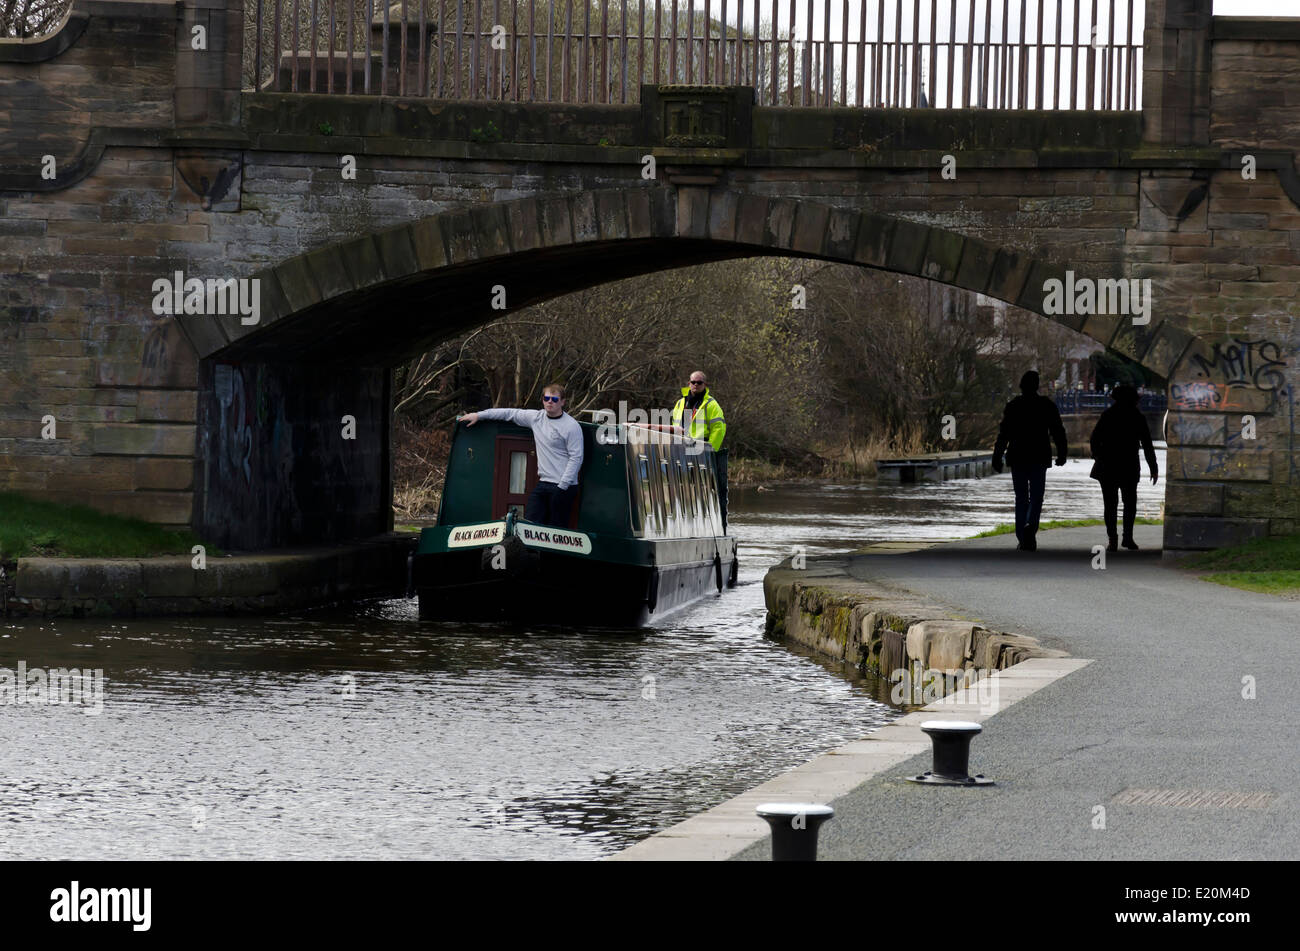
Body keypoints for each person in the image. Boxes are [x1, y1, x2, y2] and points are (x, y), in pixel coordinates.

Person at [458, 383, 584, 528]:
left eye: (554, 399)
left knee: (557, 529)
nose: (550, 402)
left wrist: (562, 487)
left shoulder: (571, 426)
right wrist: (479, 415)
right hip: (544, 483)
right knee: (529, 524)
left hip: (565, 486)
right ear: (542, 400)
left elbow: (576, 458)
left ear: (562, 402)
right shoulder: (536, 418)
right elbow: (508, 413)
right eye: (546, 398)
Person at [992, 370, 1068, 551]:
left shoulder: (1013, 406)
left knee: (1020, 497)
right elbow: (1058, 431)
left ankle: (1022, 535)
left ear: (1021, 386)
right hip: (1039, 456)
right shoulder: (1046, 405)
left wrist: (997, 456)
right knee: (1037, 496)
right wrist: (1062, 453)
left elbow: (1004, 434)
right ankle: (1030, 527)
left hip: (1018, 456)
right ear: (1037, 386)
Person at [1089, 384, 1159, 552]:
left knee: (1110, 504)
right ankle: (1128, 537)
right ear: (1134, 400)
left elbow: (1094, 439)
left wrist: (1097, 456)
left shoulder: (1107, 415)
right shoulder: (1138, 417)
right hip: (1129, 465)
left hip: (1107, 465)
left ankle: (1112, 538)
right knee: (1130, 503)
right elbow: (1148, 445)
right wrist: (1153, 467)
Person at [672, 371, 728, 531]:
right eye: (693, 382)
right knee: (684, 488)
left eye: (699, 382)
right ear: (688, 383)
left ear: (705, 385)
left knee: (702, 489)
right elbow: (674, 425)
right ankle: (684, 522)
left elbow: (719, 428)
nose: (695, 385)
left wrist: (709, 449)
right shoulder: (679, 403)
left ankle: (708, 525)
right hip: (681, 450)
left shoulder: (711, 404)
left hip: (701, 449)